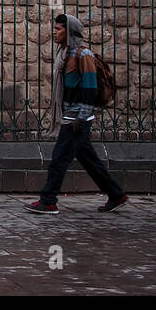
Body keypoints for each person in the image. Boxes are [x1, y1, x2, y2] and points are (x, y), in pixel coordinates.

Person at [25, 14, 130, 215]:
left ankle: (48, 201)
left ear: (70, 31)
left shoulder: (83, 55)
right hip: (71, 115)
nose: (54, 32)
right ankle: (116, 194)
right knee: (89, 160)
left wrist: (81, 117)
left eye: (58, 29)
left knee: (59, 158)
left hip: (77, 119)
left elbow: (90, 88)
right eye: (55, 29)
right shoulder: (64, 53)